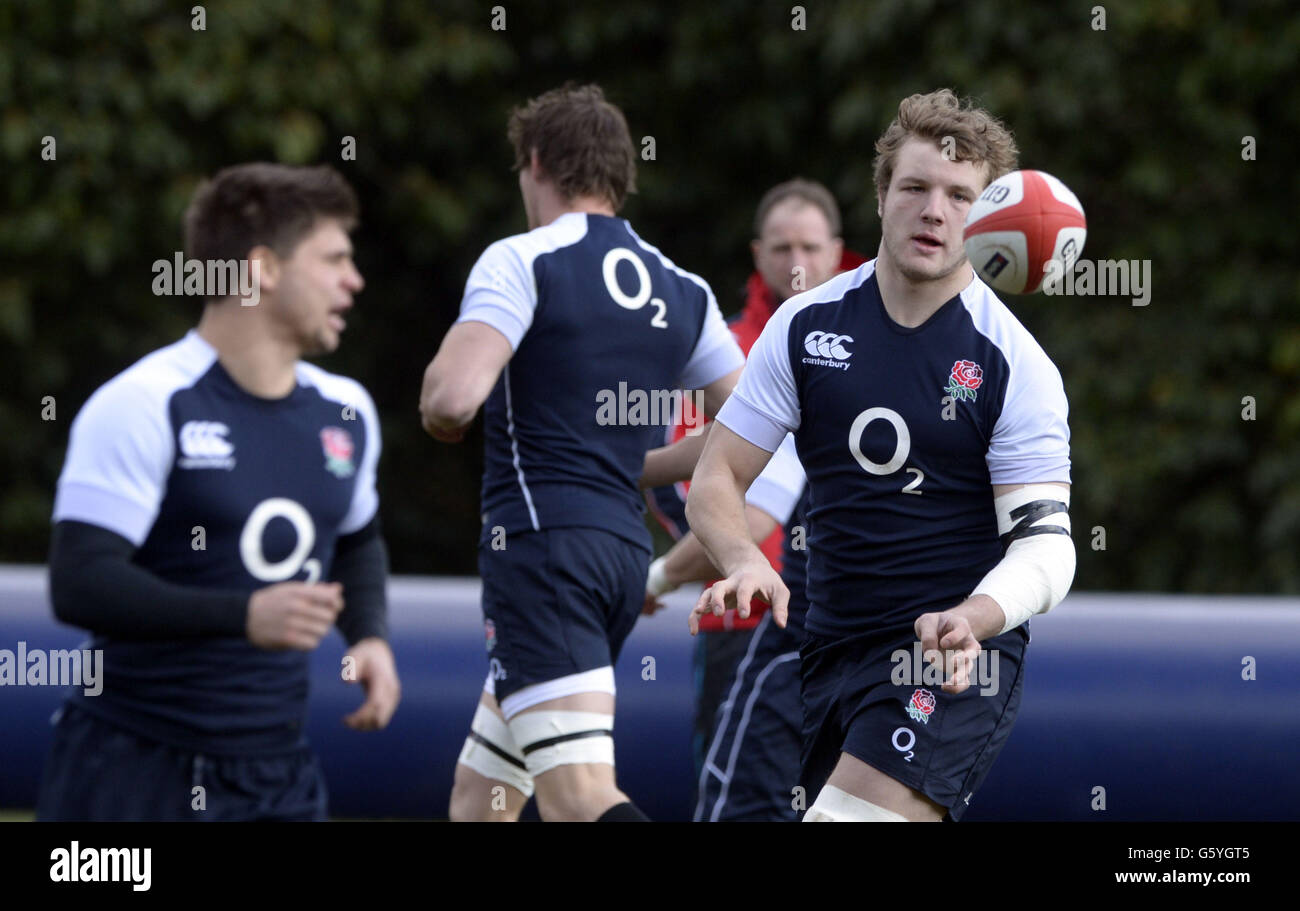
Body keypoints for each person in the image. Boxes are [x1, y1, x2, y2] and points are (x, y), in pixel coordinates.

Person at [685, 89, 1076, 822]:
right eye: (916, 187)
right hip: (825, 648)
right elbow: (718, 476)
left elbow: (1050, 550)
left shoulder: (1015, 364)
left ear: (987, 215)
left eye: (960, 196)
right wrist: (743, 559)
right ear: (882, 196)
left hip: (951, 657)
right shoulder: (806, 325)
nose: (935, 209)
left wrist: (976, 614)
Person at [37, 163, 401, 822]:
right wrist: (242, 615)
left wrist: (368, 635)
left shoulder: (345, 410)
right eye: (335, 259)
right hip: (133, 770)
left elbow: (357, 538)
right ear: (263, 268)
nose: (355, 280)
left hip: (276, 773)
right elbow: (79, 582)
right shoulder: (144, 402)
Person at [420, 84, 745, 822]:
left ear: (535, 162)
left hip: (542, 554)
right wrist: (641, 466)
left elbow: (452, 401)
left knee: (578, 797)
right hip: (619, 558)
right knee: (482, 799)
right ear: (619, 174)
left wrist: (437, 398)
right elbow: (757, 418)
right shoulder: (682, 287)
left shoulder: (522, 259)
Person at [644, 179, 862, 820]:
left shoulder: (879, 341)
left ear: (837, 250)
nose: (796, 262)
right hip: (741, 620)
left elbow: (760, 503)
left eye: (810, 245)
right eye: (781, 245)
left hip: (847, 628)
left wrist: (654, 577)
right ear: (756, 253)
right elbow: (701, 491)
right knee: (747, 801)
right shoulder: (725, 358)